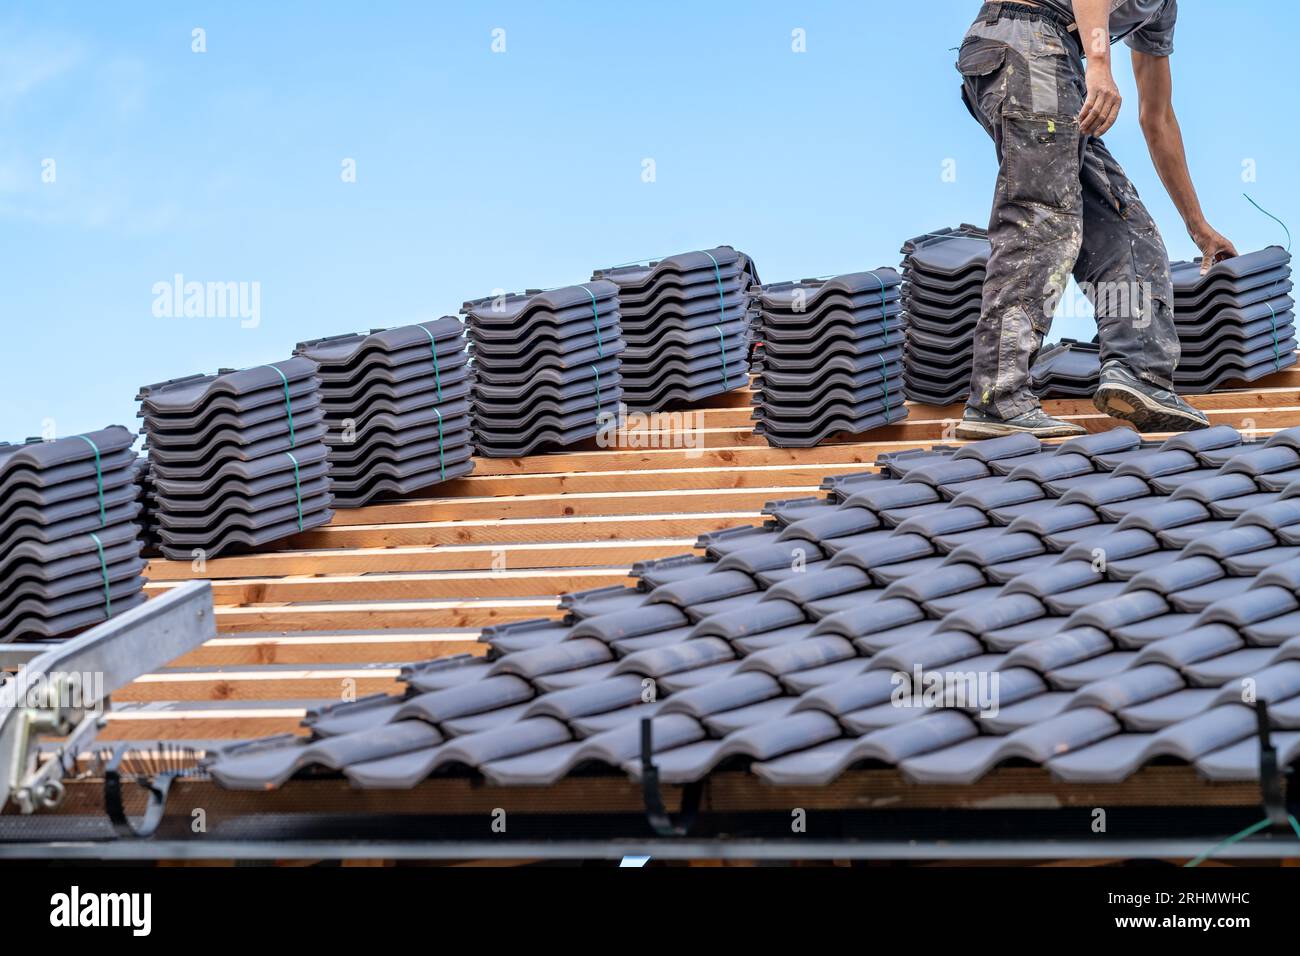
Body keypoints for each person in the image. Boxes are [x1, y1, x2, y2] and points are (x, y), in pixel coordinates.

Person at [951, 0, 1238, 439]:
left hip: (1041, 56)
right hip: (1029, 42)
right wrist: (1099, 65)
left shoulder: (1160, 10)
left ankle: (1138, 374)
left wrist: (1198, 226)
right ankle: (998, 396)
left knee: (1125, 227)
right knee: (1043, 219)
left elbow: (1157, 118)